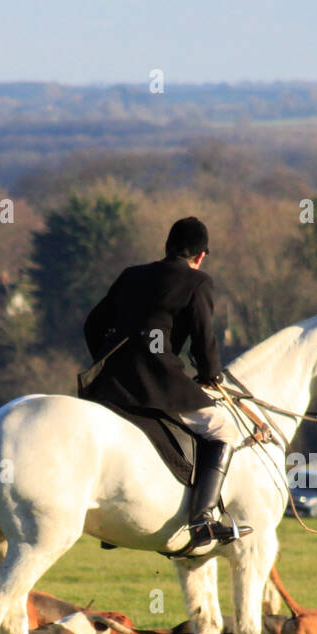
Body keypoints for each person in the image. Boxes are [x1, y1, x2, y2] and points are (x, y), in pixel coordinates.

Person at [82, 216, 251, 554]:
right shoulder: (198, 283)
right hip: (157, 384)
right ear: (201, 255)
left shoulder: (131, 275)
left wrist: (111, 361)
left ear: (167, 247)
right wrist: (211, 375)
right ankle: (202, 519)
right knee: (224, 430)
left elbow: (92, 325)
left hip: (108, 385)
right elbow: (204, 344)